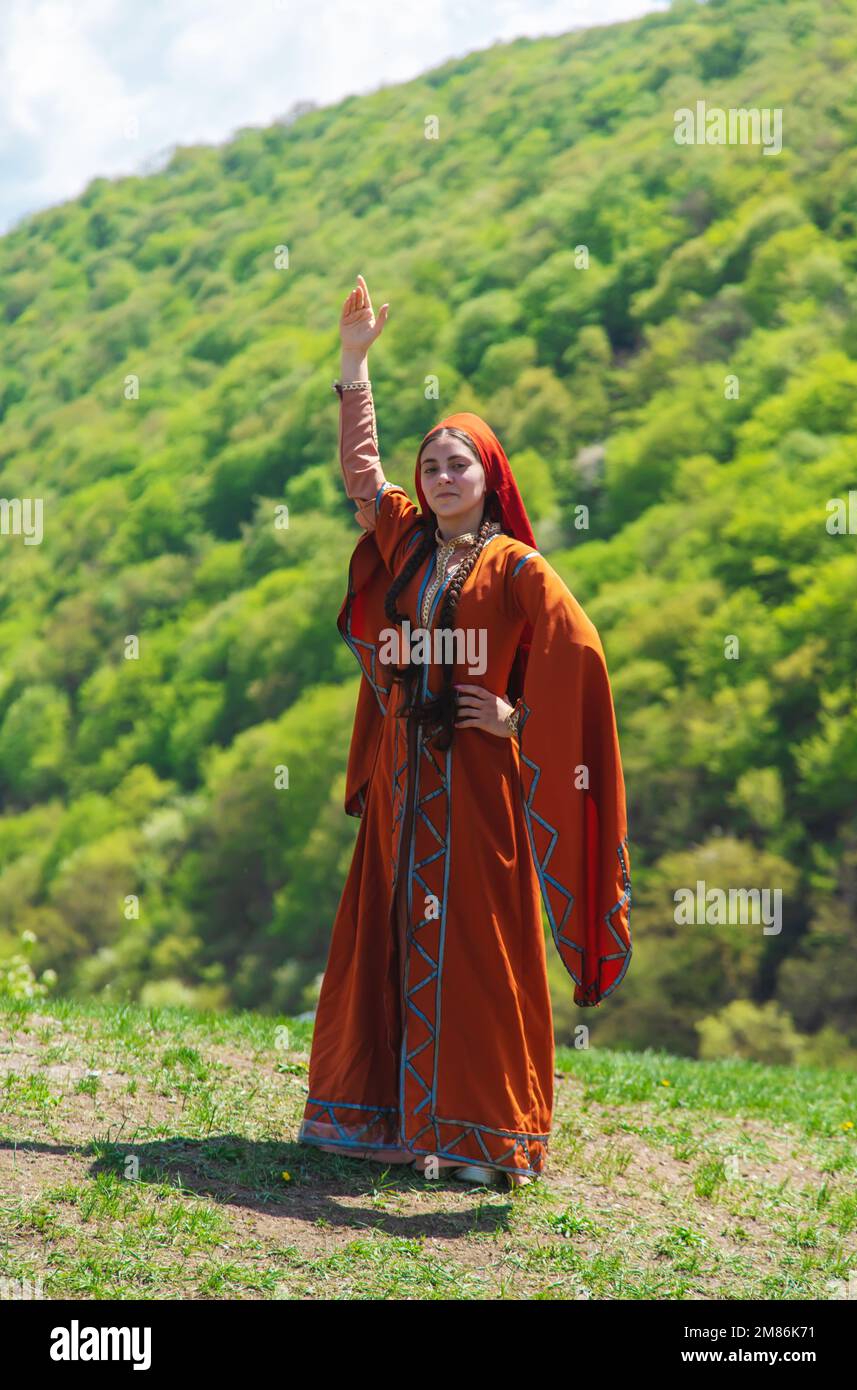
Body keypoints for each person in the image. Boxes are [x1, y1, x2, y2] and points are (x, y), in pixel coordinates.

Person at [297, 274, 632, 1192]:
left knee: (478, 948)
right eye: (433, 466)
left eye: (459, 466)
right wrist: (354, 365)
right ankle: (383, 1124)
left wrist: (517, 717)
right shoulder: (405, 541)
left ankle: (483, 1141)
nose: (442, 478)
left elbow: (579, 653)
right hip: (407, 775)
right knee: (394, 932)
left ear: (489, 480)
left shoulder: (519, 567)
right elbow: (360, 477)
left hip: (481, 788)